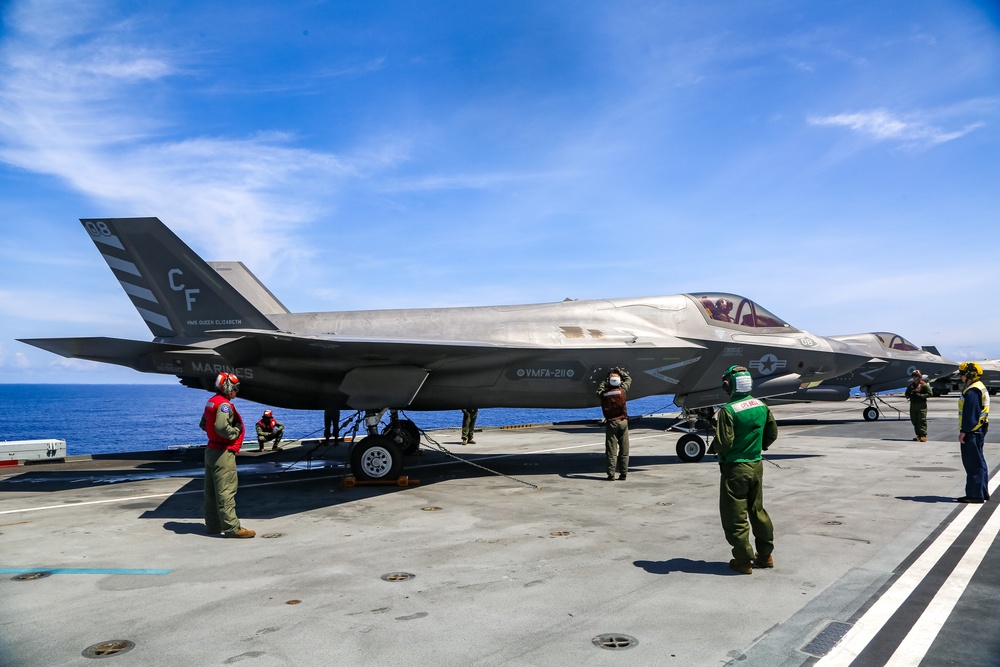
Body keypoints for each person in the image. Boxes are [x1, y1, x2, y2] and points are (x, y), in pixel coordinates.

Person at [714, 365, 778, 574]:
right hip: (756, 465)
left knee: (735, 515)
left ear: (728, 385)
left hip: (735, 468)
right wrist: (757, 447)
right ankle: (765, 555)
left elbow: (724, 442)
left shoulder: (728, 411)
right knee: (757, 510)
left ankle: (743, 560)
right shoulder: (761, 406)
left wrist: (716, 450)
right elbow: (772, 433)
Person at [200, 372, 255, 538]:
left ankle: (213, 525)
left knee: (211, 492)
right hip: (223, 452)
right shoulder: (224, 405)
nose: (236, 391)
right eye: (235, 388)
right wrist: (235, 431)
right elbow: (222, 428)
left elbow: (203, 424)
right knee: (226, 491)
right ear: (228, 387)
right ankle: (232, 528)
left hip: (211, 450)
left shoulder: (211, 402)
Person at [957, 362, 990, 504]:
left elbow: (971, 415)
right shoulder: (979, 387)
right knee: (979, 462)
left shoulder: (972, 391)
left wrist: (964, 431)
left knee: (973, 464)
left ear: (970, 375)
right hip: (978, 430)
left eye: (963, 374)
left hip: (972, 432)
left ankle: (975, 494)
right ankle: (982, 491)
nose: (961, 376)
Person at [597, 367, 631, 480]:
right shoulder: (622, 391)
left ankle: (611, 474)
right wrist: (620, 371)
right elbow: (628, 379)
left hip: (611, 423)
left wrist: (605, 381)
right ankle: (623, 473)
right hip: (623, 422)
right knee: (624, 449)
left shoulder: (604, 394)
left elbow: (599, 390)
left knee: (611, 450)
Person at [904, 369, 933, 442]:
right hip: (913, 405)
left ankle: (923, 435)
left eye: (916, 376)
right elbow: (906, 393)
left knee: (921, 420)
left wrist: (920, 395)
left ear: (919, 376)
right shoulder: (911, 386)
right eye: (913, 376)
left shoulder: (924, 385)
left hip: (921, 405)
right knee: (914, 420)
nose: (914, 377)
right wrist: (909, 395)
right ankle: (918, 435)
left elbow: (930, 393)